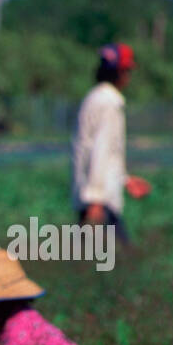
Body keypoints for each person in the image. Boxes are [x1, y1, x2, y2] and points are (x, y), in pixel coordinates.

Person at [72, 42, 151, 244]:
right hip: (101, 201)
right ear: (121, 73)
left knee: (92, 262)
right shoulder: (110, 102)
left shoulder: (94, 97)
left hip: (91, 195)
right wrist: (96, 199)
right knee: (119, 262)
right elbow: (101, 149)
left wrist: (124, 178)